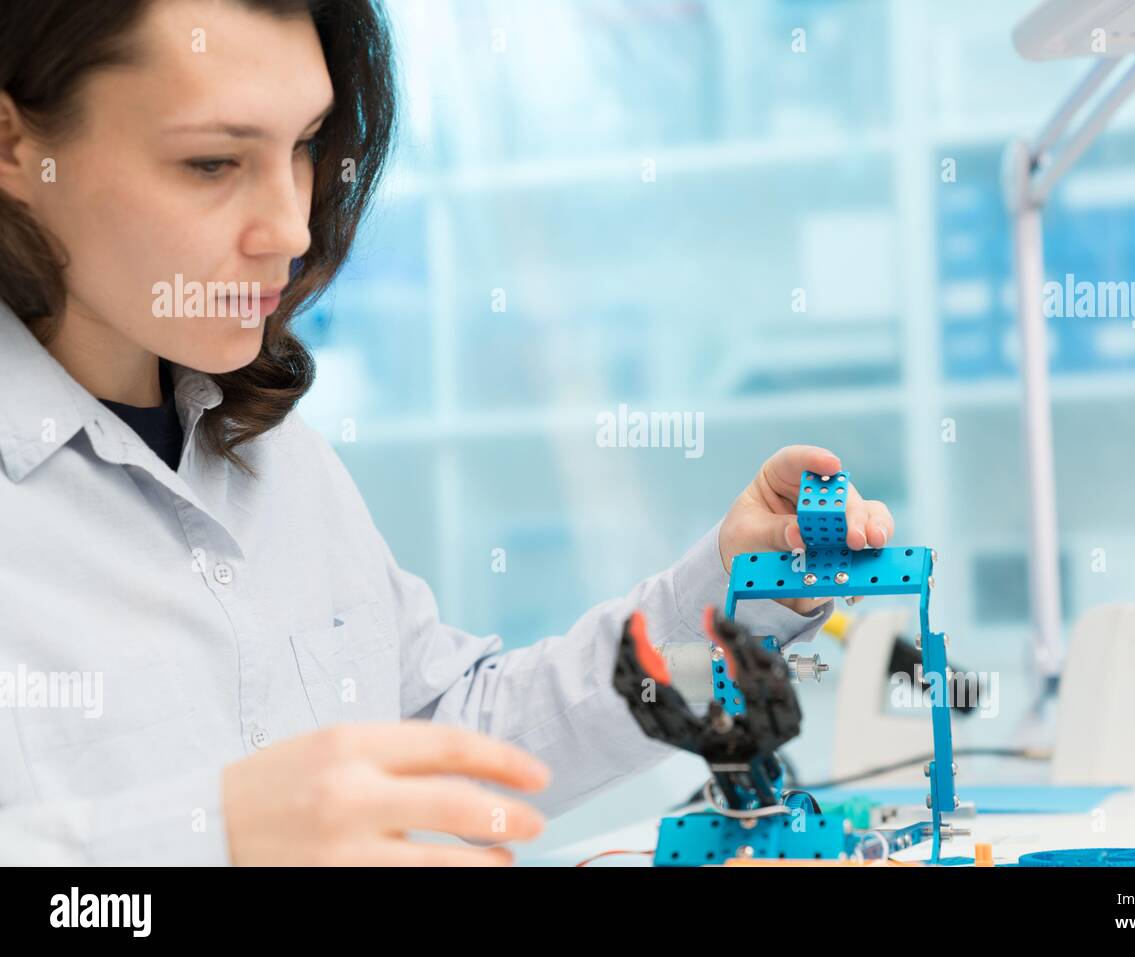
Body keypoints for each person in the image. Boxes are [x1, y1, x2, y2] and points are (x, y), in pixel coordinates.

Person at [0, 0, 894, 865]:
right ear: (14, 144)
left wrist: (730, 595)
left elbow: (452, 730)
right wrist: (218, 840)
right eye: (210, 163)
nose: (291, 227)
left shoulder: (274, 452)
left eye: (307, 146)